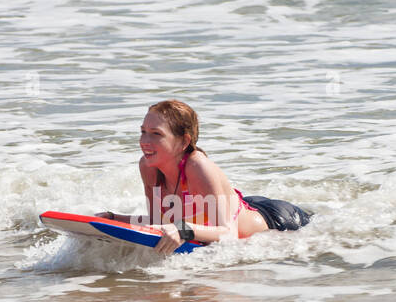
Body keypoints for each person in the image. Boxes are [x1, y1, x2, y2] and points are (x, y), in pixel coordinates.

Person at [97, 99, 313, 254]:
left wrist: (183, 230)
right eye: (143, 131)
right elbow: (158, 223)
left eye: (156, 134)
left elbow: (229, 233)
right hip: (238, 206)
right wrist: (112, 219)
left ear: (183, 141)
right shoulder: (148, 166)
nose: (145, 140)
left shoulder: (197, 166)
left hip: (276, 221)